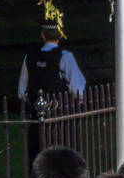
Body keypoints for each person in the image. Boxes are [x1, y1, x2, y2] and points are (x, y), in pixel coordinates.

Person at [18, 19, 85, 165]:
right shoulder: (65, 57)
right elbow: (77, 89)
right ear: (59, 36)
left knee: (38, 160)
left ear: (42, 35)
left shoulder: (29, 58)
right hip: (61, 119)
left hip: (37, 118)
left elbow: (22, 92)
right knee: (63, 160)